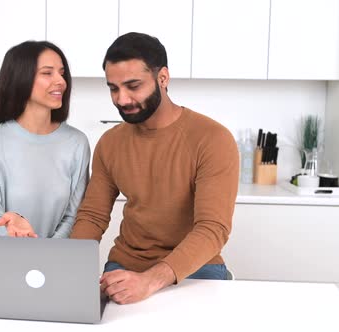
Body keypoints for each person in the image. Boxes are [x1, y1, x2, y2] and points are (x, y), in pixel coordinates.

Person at [69, 32, 239, 304]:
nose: (122, 99)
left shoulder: (212, 139)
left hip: (197, 269)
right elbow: (92, 216)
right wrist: (67, 270)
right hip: (125, 265)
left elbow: (212, 229)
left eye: (133, 86)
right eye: (113, 88)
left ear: (163, 78)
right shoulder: (110, 142)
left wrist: (150, 280)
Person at [0, 41, 90, 270]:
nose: (61, 82)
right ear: (20, 79)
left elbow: (73, 215)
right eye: (47, 73)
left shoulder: (76, 143)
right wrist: (15, 232)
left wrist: (42, 252)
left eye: (62, 73)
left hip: (48, 254)